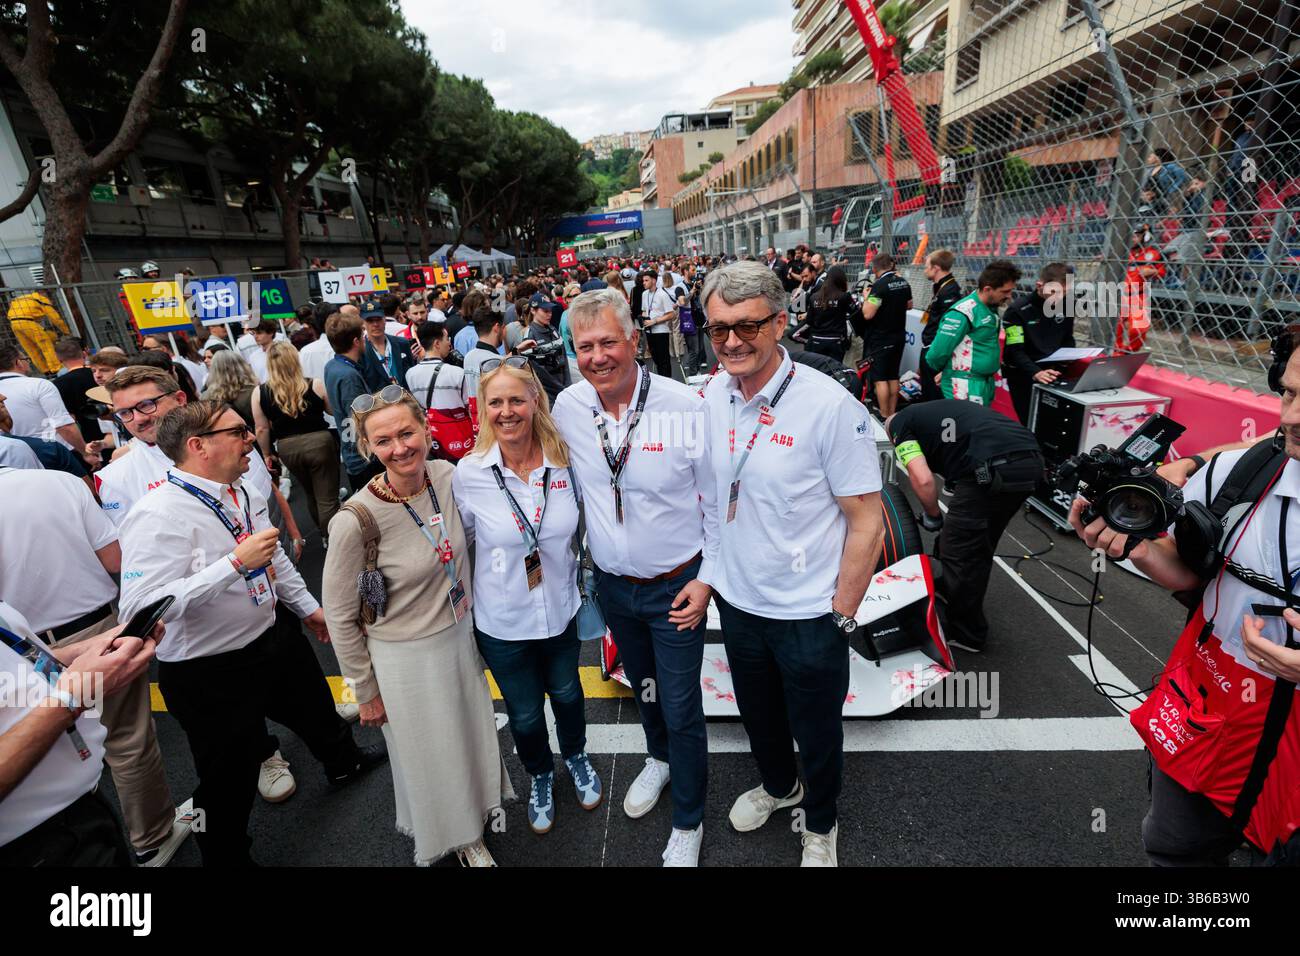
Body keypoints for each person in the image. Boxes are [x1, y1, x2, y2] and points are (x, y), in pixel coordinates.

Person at [118, 400, 386, 866]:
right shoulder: (158, 514)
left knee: (316, 710)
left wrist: (307, 609)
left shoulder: (241, 489)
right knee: (227, 777)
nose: (250, 439)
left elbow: (274, 555)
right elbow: (142, 607)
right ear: (198, 446)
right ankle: (225, 858)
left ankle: (344, 765)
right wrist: (233, 565)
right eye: (238, 431)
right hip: (210, 671)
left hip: (272, 636)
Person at [1070, 328, 1300, 866]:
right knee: (1174, 849)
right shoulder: (1239, 471)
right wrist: (1140, 549)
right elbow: (1193, 576)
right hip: (1208, 700)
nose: (1290, 417)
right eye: (1289, 393)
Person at [699, 261, 883, 867]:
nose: (731, 341)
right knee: (759, 716)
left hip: (810, 613)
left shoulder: (828, 407)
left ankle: (822, 824)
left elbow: (867, 521)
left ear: (781, 322)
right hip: (741, 603)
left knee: (819, 730)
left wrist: (841, 615)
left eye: (747, 327)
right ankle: (782, 788)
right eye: (718, 327)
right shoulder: (712, 396)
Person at [553, 288, 718, 867]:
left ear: (632, 341)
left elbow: (717, 500)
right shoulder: (569, 407)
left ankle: (690, 820)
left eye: (606, 342)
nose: (596, 356)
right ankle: (659, 759)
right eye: (584, 346)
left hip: (678, 585)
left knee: (680, 702)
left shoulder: (683, 405)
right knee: (641, 683)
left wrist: (708, 579)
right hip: (614, 586)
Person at [322, 387, 511, 866]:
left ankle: (474, 814)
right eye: (383, 441)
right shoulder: (356, 520)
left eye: (407, 433)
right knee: (431, 754)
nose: (400, 447)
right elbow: (342, 616)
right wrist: (365, 691)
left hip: (458, 638)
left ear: (427, 430)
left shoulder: (448, 477)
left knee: (468, 737)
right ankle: (461, 837)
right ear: (368, 448)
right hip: (403, 658)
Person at [0, 467, 192, 865]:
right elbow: (115, 558)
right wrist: (77, 689)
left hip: (41, 645)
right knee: (129, 741)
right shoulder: (58, 482)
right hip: (37, 841)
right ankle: (153, 838)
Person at [453, 358, 600, 834]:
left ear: (536, 401)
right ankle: (539, 774)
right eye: (496, 402)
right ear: (483, 410)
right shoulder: (469, 473)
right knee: (524, 713)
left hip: (560, 609)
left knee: (567, 692)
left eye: (517, 399)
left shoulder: (567, 461)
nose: (507, 411)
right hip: (503, 620)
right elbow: (464, 544)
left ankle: (575, 757)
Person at [0, 600, 160, 866]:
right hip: (32, 846)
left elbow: (19, 661)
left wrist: (85, 651)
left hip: (80, 811)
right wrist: (72, 696)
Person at [886, 399, 1044, 653]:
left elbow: (923, 479)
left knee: (959, 550)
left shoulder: (900, 425)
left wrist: (933, 515)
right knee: (977, 541)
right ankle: (949, 592)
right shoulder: (934, 412)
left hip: (989, 468)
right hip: (1030, 460)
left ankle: (968, 633)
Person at [252, 341, 339, 540]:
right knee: (327, 498)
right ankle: (334, 537)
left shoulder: (260, 392)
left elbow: (261, 428)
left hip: (287, 447)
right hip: (319, 442)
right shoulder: (313, 383)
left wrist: (266, 453)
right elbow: (332, 410)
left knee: (310, 493)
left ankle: (325, 535)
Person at [925, 259, 1021, 406]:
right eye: (1005, 291)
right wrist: (950, 372)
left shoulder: (990, 308)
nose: (1009, 296)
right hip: (965, 386)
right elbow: (936, 354)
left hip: (983, 383)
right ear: (988, 289)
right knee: (964, 428)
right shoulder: (963, 312)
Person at [1001, 262, 1074, 425]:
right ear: (1039, 286)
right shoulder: (1017, 310)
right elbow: (1015, 350)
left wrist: (1068, 358)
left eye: (1064, 292)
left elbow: (1068, 337)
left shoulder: (1067, 305)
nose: (1059, 297)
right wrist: (1036, 372)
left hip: (1054, 373)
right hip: (1024, 375)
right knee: (1030, 423)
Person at [323, 312, 385, 491]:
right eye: (362, 336)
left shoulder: (332, 365)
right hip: (363, 459)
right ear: (356, 342)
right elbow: (358, 418)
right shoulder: (348, 375)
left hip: (353, 453)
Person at [0, 345, 89, 457]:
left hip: (16, 456)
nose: (28, 363)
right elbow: (64, 426)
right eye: (26, 359)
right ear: (19, 363)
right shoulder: (39, 385)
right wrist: (85, 453)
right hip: (56, 453)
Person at [859, 254, 913, 418]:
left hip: (881, 338)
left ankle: (884, 414)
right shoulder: (903, 282)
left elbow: (867, 314)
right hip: (898, 336)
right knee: (893, 375)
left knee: (880, 378)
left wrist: (866, 298)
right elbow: (909, 305)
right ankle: (893, 413)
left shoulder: (879, 285)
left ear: (875, 269)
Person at [918, 249, 962, 403]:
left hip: (936, 350)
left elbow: (949, 328)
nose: (924, 270)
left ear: (936, 268)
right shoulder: (940, 287)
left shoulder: (950, 291)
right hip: (930, 348)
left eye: (926, 266)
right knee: (927, 391)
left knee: (933, 395)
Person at [796, 265, 859, 365]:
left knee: (818, 370)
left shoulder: (814, 297)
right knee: (834, 371)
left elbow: (809, 321)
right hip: (836, 341)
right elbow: (856, 312)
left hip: (816, 340)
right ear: (841, 279)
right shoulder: (844, 296)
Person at [521, 291, 570, 404]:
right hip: (548, 396)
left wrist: (567, 384)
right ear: (533, 310)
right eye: (545, 311)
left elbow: (564, 358)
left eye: (550, 311)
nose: (550, 314)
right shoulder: (530, 335)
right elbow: (538, 372)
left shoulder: (553, 329)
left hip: (564, 389)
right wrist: (560, 388)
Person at [6, 288, 69, 375]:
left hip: (14, 324)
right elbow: (55, 318)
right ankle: (56, 368)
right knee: (46, 345)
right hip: (27, 322)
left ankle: (45, 370)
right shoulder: (41, 298)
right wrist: (66, 331)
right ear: (44, 293)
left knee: (31, 348)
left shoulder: (22, 298)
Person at [361, 304, 417, 391]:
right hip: (379, 403)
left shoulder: (402, 343)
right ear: (363, 323)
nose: (375, 324)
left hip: (406, 400)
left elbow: (412, 373)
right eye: (370, 321)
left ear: (384, 320)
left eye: (378, 319)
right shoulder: (361, 351)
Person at [201, 348, 259, 430]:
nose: (205, 361)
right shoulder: (254, 392)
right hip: (254, 436)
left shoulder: (205, 398)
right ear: (241, 366)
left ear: (214, 370)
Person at [639, 271, 676, 378]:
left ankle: (668, 382)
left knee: (664, 361)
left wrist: (654, 321)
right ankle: (662, 382)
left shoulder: (662, 294)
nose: (644, 283)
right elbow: (644, 310)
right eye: (643, 281)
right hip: (649, 331)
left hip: (661, 331)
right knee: (656, 360)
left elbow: (671, 314)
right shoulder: (644, 294)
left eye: (646, 280)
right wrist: (644, 319)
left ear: (654, 281)